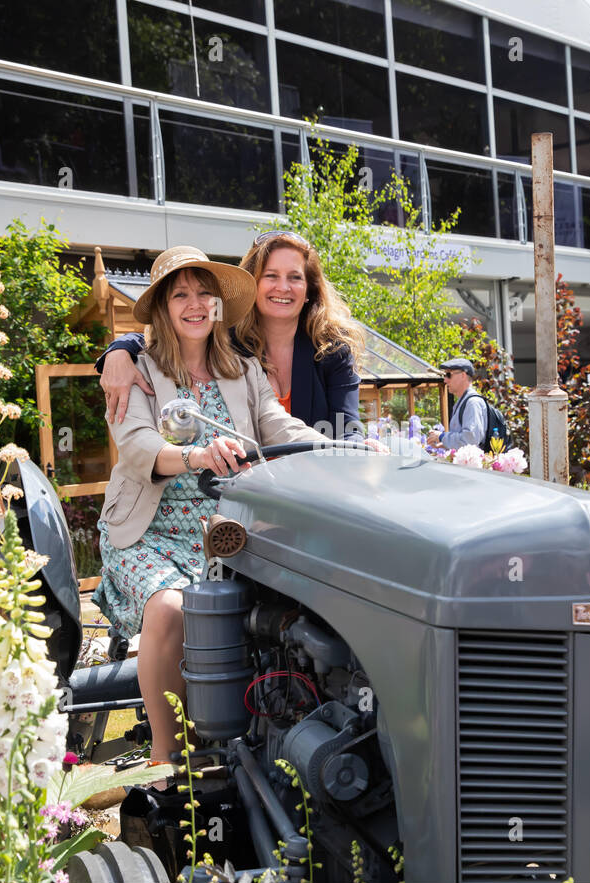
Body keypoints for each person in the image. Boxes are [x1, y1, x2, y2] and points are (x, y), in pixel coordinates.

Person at [93, 246, 327, 764]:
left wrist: (333, 445)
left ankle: (255, 737)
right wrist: (196, 454)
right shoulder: (136, 370)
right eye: (180, 294)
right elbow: (135, 447)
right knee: (174, 609)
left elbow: (276, 424)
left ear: (219, 305)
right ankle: (166, 756)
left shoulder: (242, 369)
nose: (195, 304)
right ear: (161, 309)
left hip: (224, 533)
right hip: (147, 532)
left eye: (205, 293)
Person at [99, 230, 366, 441]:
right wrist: (119, 351)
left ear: (309, 289)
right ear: (253, 283)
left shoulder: (331, 349)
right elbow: (171, 333)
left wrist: (354, 449)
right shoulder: (227, 340)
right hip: (246, 490)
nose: (283, 287)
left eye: (295, 277)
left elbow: (347, 426)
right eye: (271, 275)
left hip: (309, 482)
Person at [427, 358, 487, 450]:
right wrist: (444, 445)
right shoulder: (463, 402)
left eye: (448, 375)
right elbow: (463, 441)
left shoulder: (472, 403)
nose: (445, 380)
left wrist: (441, 436)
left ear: (463, 375)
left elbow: (470, 441)